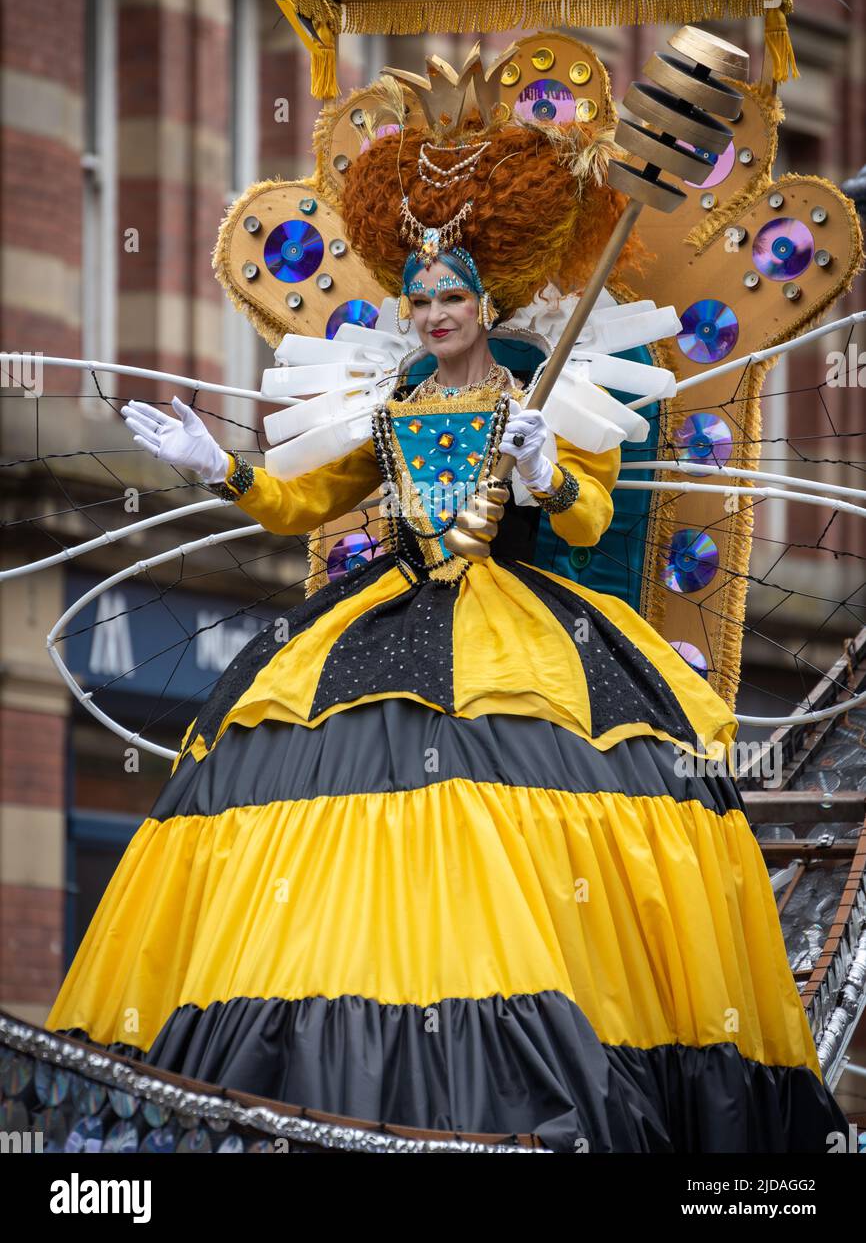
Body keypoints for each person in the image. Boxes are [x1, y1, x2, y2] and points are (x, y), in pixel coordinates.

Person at [46, 233, 848, 1152]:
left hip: (518, 629)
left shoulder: (542, 398)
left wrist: (546, 470)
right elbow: (309, 502)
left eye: (449, 300)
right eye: (420, 302)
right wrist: (218, 467)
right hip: (382, 618)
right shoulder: (392, 405)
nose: (433, 316)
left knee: (506, 810)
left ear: (485, 308)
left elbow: (588, 519)